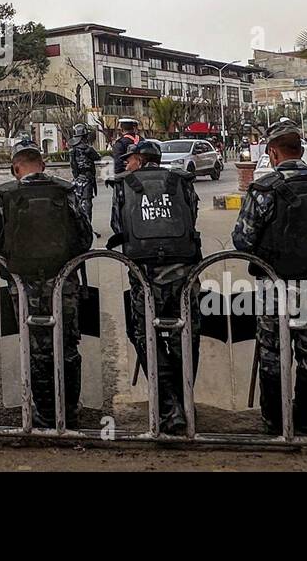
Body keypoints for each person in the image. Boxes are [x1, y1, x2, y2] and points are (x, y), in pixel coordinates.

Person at [232, 120, 307, 433]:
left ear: (273, 153)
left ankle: (274, 419)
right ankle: (304, 416)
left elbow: (242, 240)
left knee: (273, 352)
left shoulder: (264, 189)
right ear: (300, 150)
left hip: (275, 287)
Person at [0, 141, 92, 427]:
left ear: (15, 168)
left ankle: (44, 413)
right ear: (43, 165)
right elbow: (85, 236)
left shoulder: (5, 195)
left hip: (25, 285)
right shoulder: (64, 191)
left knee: (36, 348)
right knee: (67, 345)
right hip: (63, 282)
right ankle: (69, 410)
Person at [108, 138, 201, 433]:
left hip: (145, 274)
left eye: (129, 158)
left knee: (144, 333)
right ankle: (183, 399)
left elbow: (118, 227)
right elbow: (192, 216)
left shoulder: (125, 185)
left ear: (139, 158)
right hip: (184, 271)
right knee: (185, 334)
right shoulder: (181, 181)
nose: (125, 162)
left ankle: (168, 405)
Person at [67, 124, 102, 224]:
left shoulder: (72, 151)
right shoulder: (88, 150)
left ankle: (83, 226)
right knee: (86, 204)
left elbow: (73, 167)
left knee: (79, 203)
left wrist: (76, 176)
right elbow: (97, 157)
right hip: (87, 179)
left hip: (78, 179)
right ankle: (87, 227)